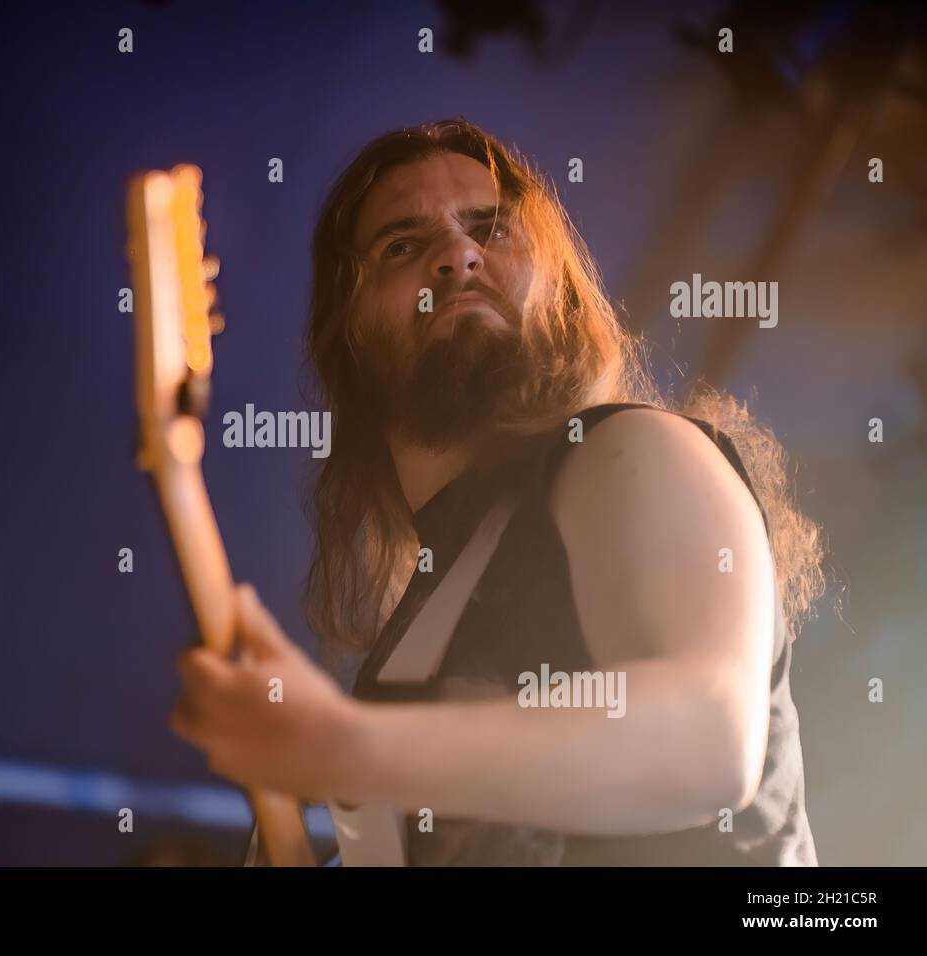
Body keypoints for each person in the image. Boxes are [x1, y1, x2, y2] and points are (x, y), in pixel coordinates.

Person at [169, 118, 827, 865]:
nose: (457, 253)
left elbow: (709, 742)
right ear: (346, 336)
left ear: (560, 292)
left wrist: (343, 746)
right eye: (402, 246)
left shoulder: (630, 450)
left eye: (490, 229)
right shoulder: (425, 624)